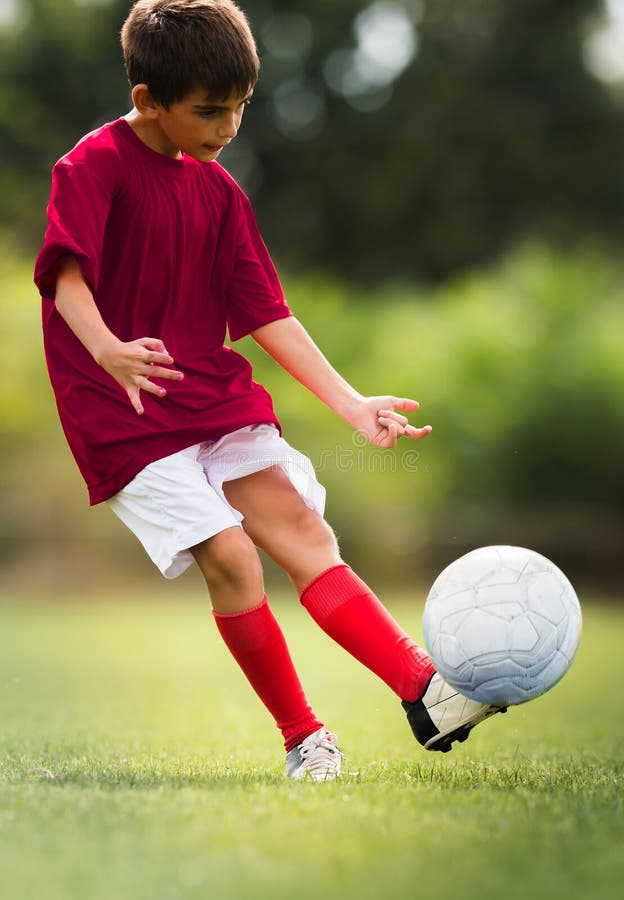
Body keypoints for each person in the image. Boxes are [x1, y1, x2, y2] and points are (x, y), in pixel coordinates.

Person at [34, 0, 505, 781]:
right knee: (233, 557)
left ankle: (426, 692)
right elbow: (65, 278)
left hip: (209, 397)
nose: (228, 127)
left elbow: (266, 315)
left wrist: (352, 404)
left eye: (240, 108)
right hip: (124, 409)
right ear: (148, 101)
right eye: (209, 111)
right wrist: (110, 351)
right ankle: (303, 739)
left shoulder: (221, 194)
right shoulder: (92, 165)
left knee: (300, 532)